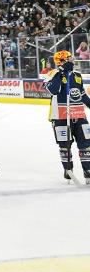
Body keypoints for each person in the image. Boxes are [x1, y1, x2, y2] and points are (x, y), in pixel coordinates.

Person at [45, 50, 90, 184]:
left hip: (78, 115)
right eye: (69, 59)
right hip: (61, 116)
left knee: (86, 144)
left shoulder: (77, 75)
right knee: (65, 145)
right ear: (62, 61)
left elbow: (81, 95)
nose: (72, 61)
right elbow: (53, 90)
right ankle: (67, 169)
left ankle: (88, 170)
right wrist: (61, 73)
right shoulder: (51, 74)